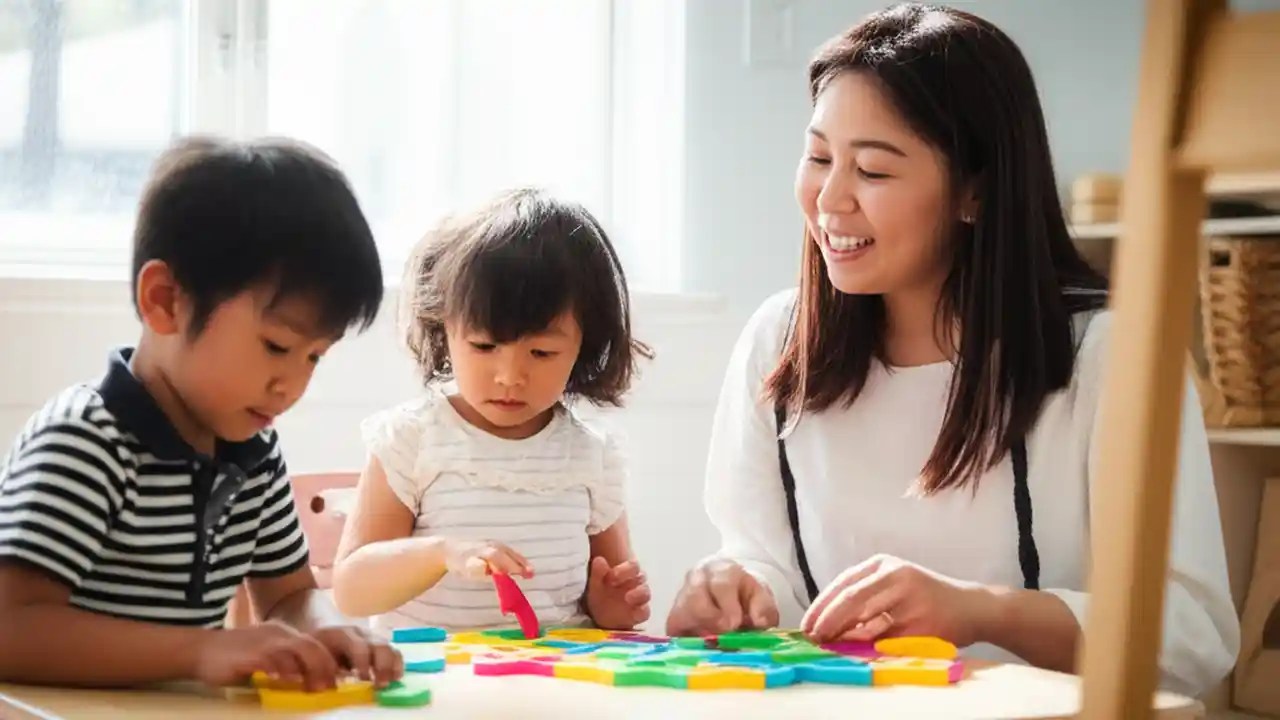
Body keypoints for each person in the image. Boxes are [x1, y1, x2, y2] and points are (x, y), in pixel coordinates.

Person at [665, 3, 1239, 698]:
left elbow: (1194, 639)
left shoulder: (1110, 357)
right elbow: (768, 569)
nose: (830, 200)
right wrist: (731, 591)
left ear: (975, 191)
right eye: (819, 158)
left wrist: (980, 609)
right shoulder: (778, 344)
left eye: (873, 172)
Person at [0, 137, 404, 692]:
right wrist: (201, 650)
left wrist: (330, 630)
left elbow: (288, 596)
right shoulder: (84, 442)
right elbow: (11, 629)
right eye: (276, 345)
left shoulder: (254, 456)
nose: (293, 384)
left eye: (315, 357)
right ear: (165, 300)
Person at [331, 187, 652, 636]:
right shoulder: (414, 440)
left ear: (584, 348)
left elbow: (614, 606)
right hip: (439, 686)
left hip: (553, 682)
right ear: (444, 329)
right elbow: (351, 589)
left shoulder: (592, 456)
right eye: (484, 346)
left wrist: (612, 606)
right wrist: (440, 554)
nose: (509, 376)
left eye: (541, 353)